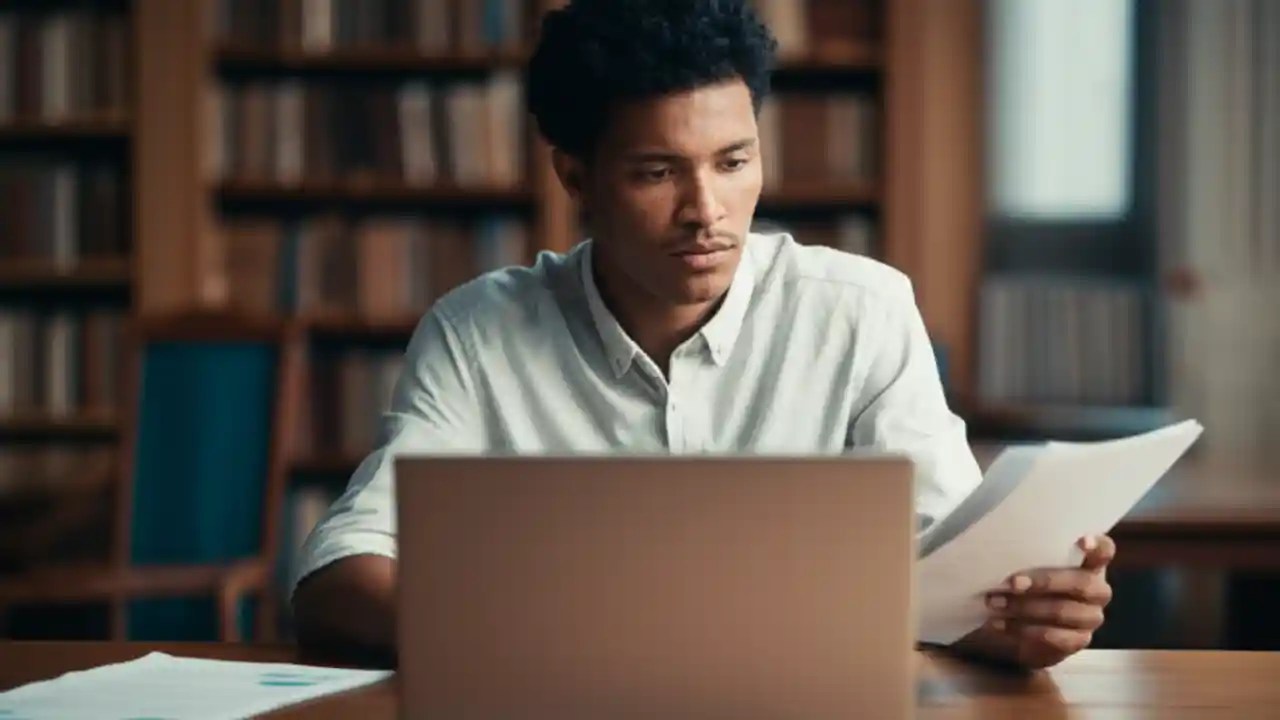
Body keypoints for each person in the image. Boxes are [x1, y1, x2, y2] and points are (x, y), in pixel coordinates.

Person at [292, 0, 1114, 670]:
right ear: (575, 176)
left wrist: (1021, 616)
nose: (706, 213)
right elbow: (337, 574)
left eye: (732, 161)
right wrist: (540, 647)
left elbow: (951, 578)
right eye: (657, 172)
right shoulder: (480, 331)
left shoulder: (861, 311)